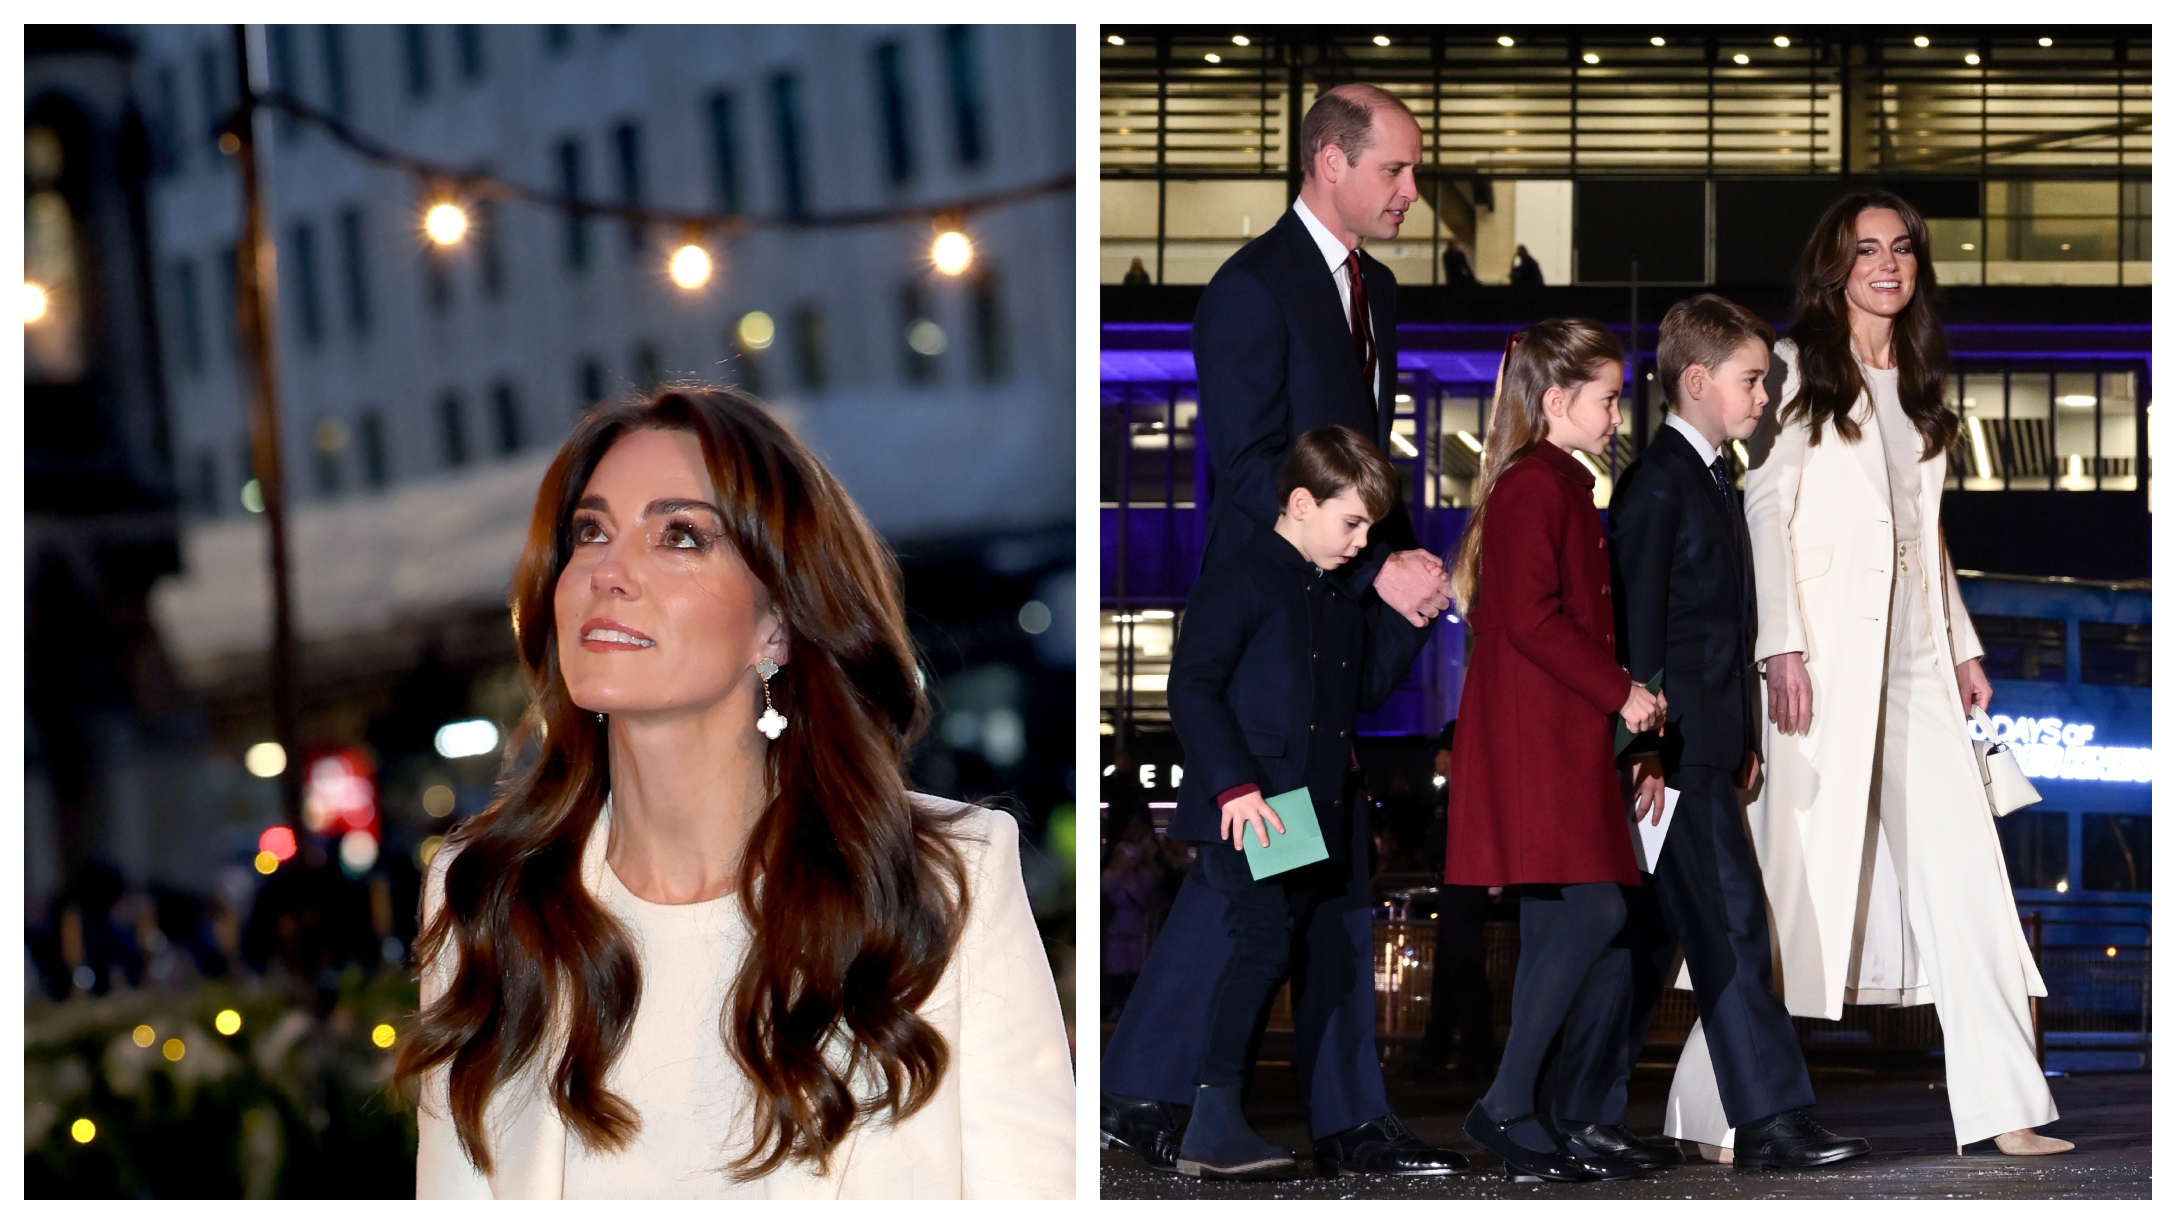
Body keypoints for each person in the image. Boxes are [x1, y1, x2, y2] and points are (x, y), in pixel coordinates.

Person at [400, 387, 1074, 1198]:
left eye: (679, 535)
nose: (609, 571)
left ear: (777, 622)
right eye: (590, 531)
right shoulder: (484, 896)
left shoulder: (942, 884)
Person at [1101, 82, 1462, 1180]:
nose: (1411, 191)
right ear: (1328, 162)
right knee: (1262, 882)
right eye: (1394, 169)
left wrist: (1387, 568)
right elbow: (1253, 473)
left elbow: (1353, 470)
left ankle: (1178, 1103)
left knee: (1304, 885)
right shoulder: (1250, 291)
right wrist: (1364, 562)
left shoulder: (1377, 293)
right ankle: (1180, 1104)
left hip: (1333, 614)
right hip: (1275, 630)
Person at [1666, 191, 2072, 1160]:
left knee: (1969, 874)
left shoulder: (1923, 380)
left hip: (1919, 663)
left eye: (1900, 249)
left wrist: (1964, 644)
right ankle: (1707, 1107)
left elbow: (1921, 533)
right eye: (1864, 251)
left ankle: (2004, 1105)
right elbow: (1766, 509)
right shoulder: (1801, 368)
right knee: (1791, 888)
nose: (1885, 265)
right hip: (1823, 665)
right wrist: (1780, 644)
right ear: (1833, 266)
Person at [1607, 294, 1871, 1173]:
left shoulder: (1717, 475)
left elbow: (1731, 624)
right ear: (1695, 380)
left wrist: (1746, 734)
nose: (1765, 396)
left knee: (1652, 942)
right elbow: (1641, 624)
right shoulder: (1659, 483)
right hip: (1672, 751)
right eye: (1751, 380)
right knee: (1731, 924)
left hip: (1706, 744)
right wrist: (1642, 747)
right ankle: (1769, 1119)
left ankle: (1578, 1109)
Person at [1162, 427, 1436, 1179]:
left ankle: (1213, 1121)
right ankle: (1208, 1123)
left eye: (1369, 529)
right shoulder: (1245, 576)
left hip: (1303, 810)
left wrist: (1416, 617)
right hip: (1259, 807)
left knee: (1283, 950)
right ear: (1299, 502)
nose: (1361, 542)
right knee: (1261, 947)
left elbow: (1368, 689)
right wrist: (1236, 787)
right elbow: (1191, 686)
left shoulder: (1331, 590)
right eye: (1352, 523)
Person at [1442, 319, 1660, 1183]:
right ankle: (1505, 1103)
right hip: (1545, 730)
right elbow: (1532, 615)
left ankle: (1517, 1112)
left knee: (1557, 922)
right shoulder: (1541, 484)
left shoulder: (1547, 481)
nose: (1617, 414)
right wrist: (1624, 692)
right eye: (1607, 398)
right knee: (1598, 910)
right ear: (1557, 400)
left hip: (1545, 726)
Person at [1400, 719, 1501, 1083]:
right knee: (1451, 974)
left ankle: (1470, 1054)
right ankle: (1447, 1054)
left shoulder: (1466, 793)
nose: (1437, 762)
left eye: (1442, 754)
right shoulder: (1459, 793)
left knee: (1462, 972)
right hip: (1458, 887)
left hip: (1463, 887)